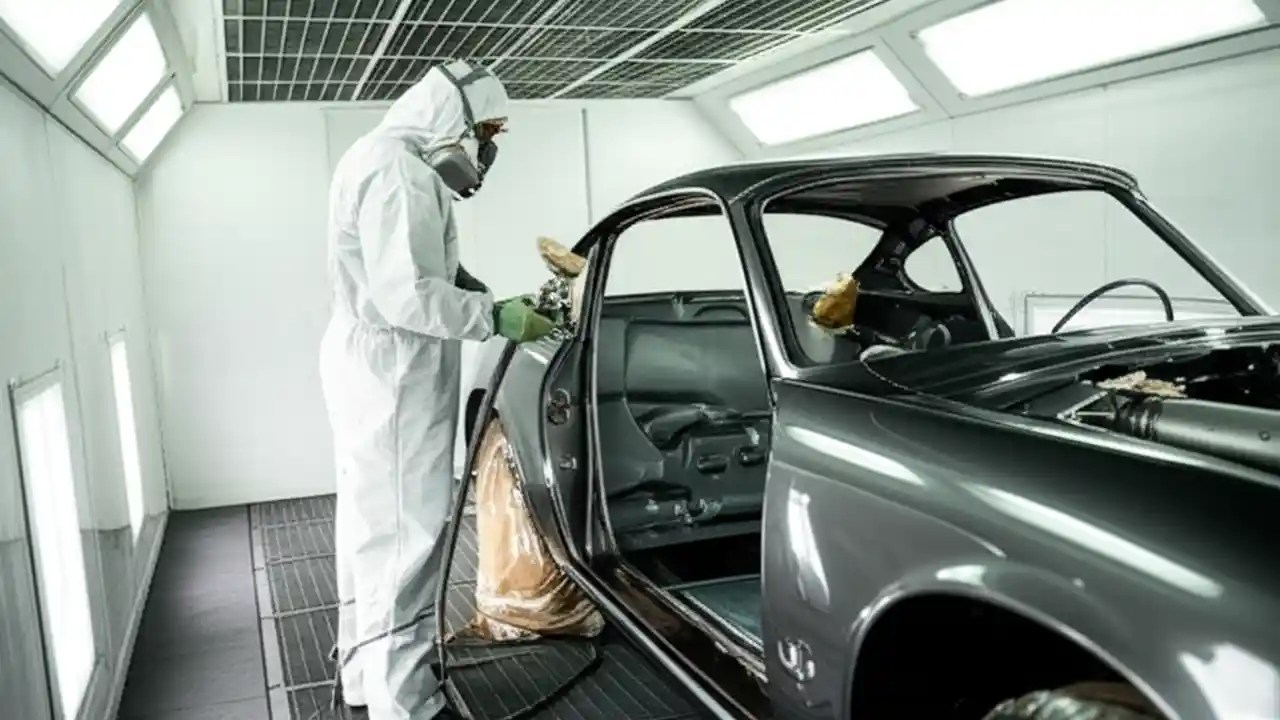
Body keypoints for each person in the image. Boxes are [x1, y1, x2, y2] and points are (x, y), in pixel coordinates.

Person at [319, 59, 555, 719]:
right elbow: (406, 297)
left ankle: (366, 677)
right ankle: (407, 702)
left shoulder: (380, 155)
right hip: (396, 370)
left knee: (372, 527)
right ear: (454, 119)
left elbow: (402, 262)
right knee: (408, 533)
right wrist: (492, 316)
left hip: (372, 362)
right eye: (487, 133)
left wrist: (465, 281)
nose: (487, 150)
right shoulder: (402, 173)